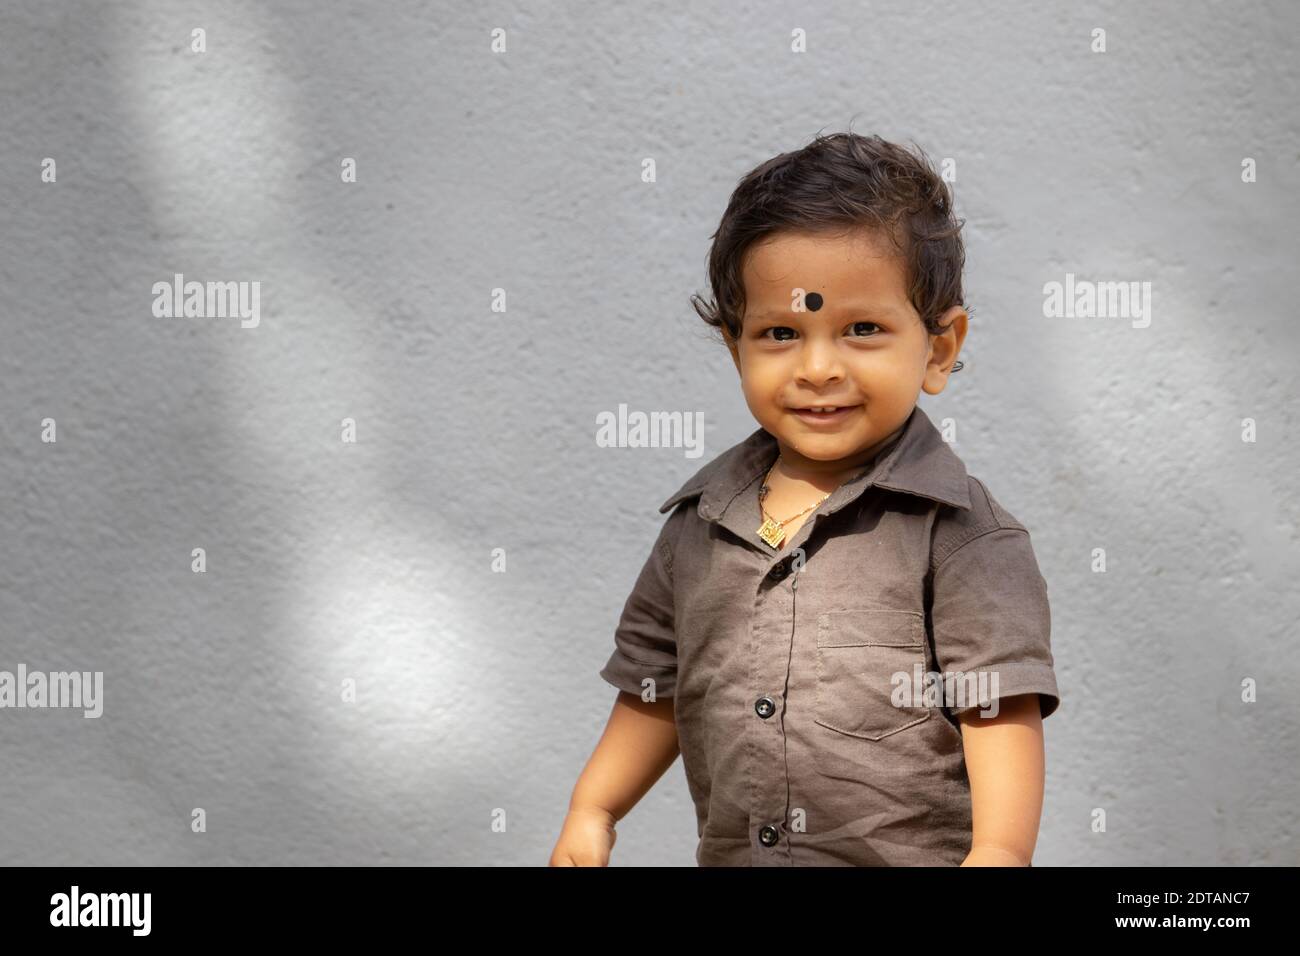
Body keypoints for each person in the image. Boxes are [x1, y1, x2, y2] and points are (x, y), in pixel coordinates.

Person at [550, 131, 1060, 866]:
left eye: (862, 329)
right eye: (782, 332)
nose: (818, 367)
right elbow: (653, 683)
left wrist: (1001, 853)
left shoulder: (962, 538)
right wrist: (593, 806)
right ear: (737, 348)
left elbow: (997, 705)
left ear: (940, 348)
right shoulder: (698, 527)